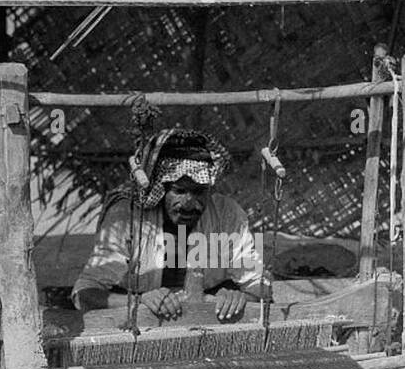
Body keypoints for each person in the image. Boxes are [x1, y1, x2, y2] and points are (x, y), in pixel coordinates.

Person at [72, 128, 262, 322]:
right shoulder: (126, 216)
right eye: (179, 191)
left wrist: (238, 297)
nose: (189, 203)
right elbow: (84, 294)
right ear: (160, 188)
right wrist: (140, 301)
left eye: (199, 192)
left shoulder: (227, 214)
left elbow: (260, 285)